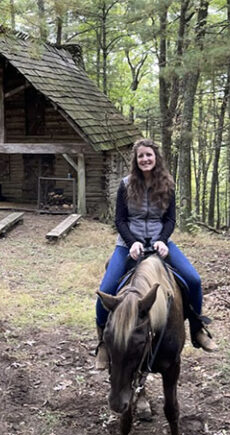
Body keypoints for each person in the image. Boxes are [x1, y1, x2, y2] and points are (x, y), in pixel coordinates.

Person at [94, 138, 216, 370]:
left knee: (194, 280)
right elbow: (120, 220)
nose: (145, 159)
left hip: (161, 244)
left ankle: (198, 329)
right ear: (136, 160)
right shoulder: (125, 185)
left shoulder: (167, 184)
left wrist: (162, 240)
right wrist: (131, 243)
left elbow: (170, 219)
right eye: (141, 156)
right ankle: (103, 344)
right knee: (106, 289)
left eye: (149, 155)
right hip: (128, 246)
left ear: (156, 157)